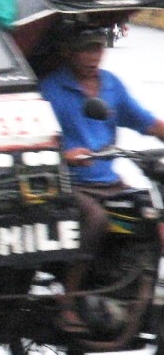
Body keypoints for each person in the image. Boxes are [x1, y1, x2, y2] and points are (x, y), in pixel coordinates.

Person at [40, 25, 164, 331]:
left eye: (97, 49)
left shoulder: (111, 85)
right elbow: (40, 137)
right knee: (96, 221)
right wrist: (65, 154)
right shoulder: (52, 89)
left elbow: (144, 121)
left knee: (151, 213)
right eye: (85, 49)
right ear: (69, 52)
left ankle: (139, 286)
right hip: (71, 182)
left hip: (109, 179)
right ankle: (69, 299)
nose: (93, 56)